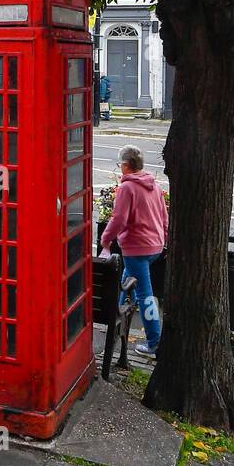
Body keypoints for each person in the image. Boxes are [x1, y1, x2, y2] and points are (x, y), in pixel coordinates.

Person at [98, 145, 168, 358]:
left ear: (126, 166)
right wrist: (164, 239)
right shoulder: (153, 186)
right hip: (155, 245)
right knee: (128, 280)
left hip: (137, 248)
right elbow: (164, 216)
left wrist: (105, 240)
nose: (120, 169)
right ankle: (115, 321)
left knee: (145, 296)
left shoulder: (127, 188)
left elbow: (119, 219)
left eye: (120, 165)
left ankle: (154, 342)